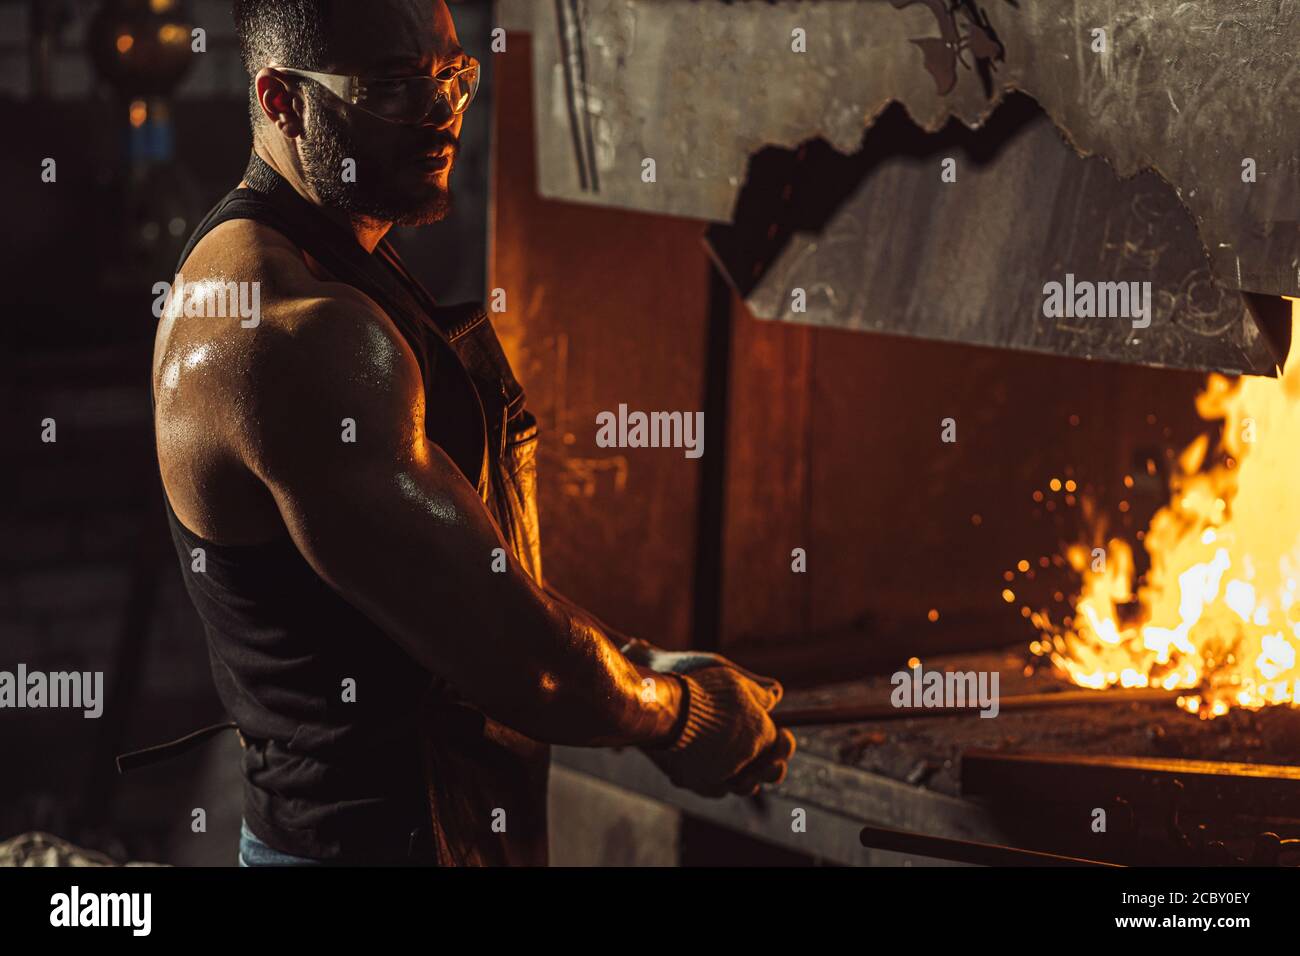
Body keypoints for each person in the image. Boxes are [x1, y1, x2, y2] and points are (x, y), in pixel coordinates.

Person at [148, 0, 794, 866]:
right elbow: (511, 659)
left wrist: (636, 657)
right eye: (393, 88)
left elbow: (450, 579)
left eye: (453, 76)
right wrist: (681, 716)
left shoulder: (337, 252)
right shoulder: (293, 328)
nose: (443, 112)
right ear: (282, 101)